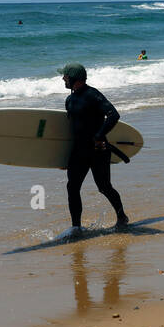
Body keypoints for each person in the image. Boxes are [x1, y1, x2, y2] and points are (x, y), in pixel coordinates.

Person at [59, 63, 130, 235]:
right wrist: (60, 158)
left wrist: (99, 135)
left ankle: (122, 217)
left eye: (66, 77)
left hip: (98, 150)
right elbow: (71, 131)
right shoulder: (69, 99)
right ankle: (76, 227)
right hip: (78, 151)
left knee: (104, 187)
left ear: (74, 78)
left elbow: (113, 115)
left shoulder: (92, 95)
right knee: (72, 187)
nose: (63, 79)